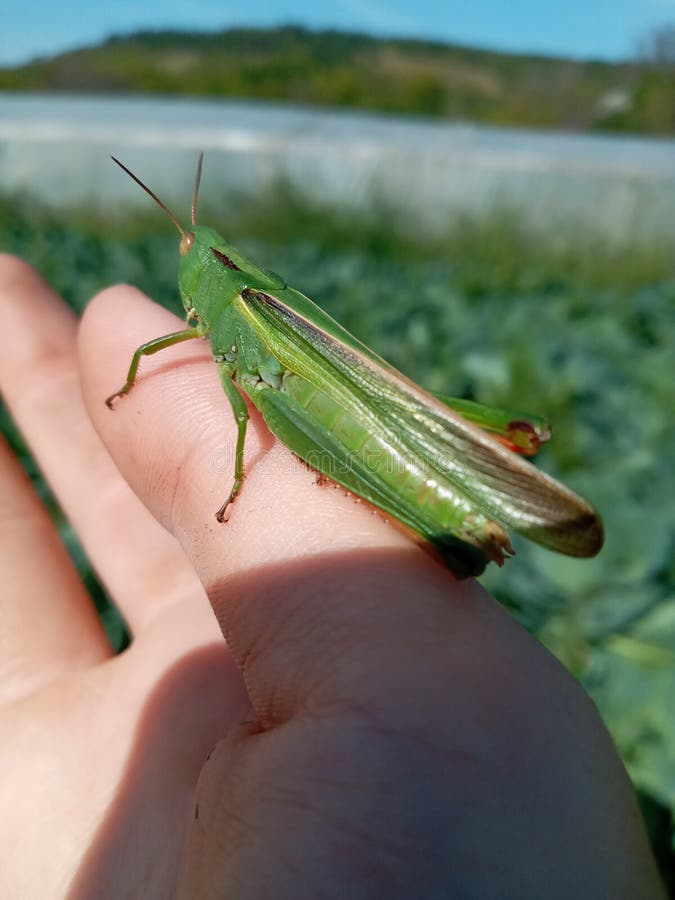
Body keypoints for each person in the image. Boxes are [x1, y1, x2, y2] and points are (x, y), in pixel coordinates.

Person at [0, 255, 666, 899]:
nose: (194, 263)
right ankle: (465, 521)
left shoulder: (246, 309)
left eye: (203, 258)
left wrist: (232, 478)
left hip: (326, 401)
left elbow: (214, 396)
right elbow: (158, 357)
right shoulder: (238, 302)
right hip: (305, 394)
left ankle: (468, 507)